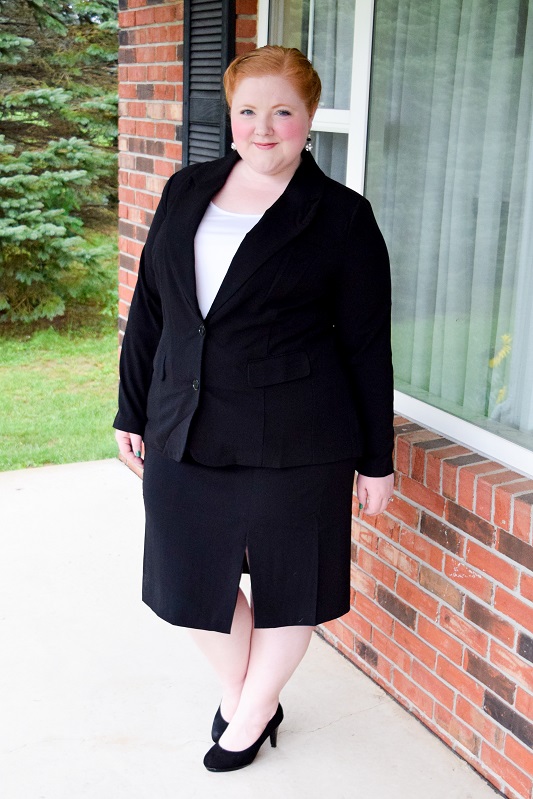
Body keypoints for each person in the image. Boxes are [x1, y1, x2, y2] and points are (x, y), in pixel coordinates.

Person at [114, 45, 394, 773]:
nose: (263, 129)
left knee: (288, 585)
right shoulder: (186, 190)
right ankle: (252, 697)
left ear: (308, 120)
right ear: (229, 116)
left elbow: (366, 345)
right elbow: (153, 309)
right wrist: (131, 409)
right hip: (184, 422)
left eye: (282, 113)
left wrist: (376, 461)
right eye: (248, 112)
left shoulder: (340, 217)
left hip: (300, 438)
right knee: (184, 581)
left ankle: (247, 713)